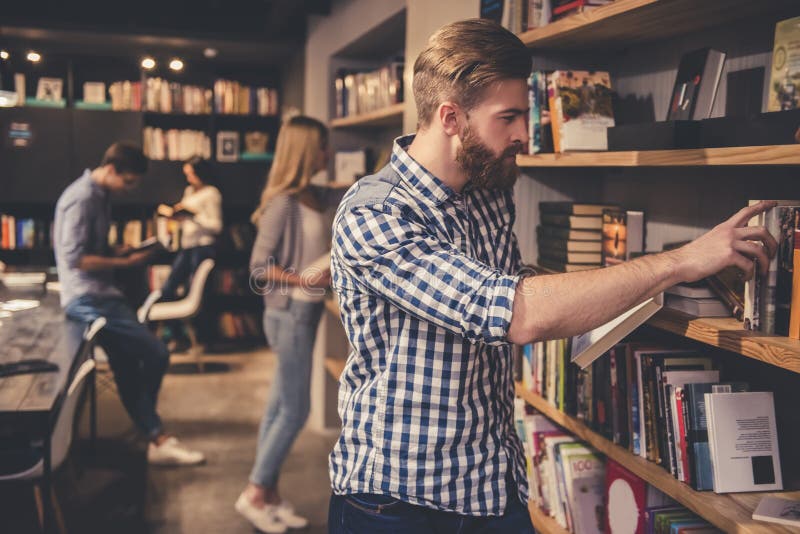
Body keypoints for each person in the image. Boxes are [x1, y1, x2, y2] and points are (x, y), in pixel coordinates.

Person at [326, 19, 777, 533]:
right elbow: (516, 311)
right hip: (399, 502)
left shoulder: (488, 191)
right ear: (451, 117)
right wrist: (680, 260)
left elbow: (517, 284)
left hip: (492, 484)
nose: (523, 134)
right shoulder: (375, 214)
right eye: (509, 117)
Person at [54, 142, 205, 466]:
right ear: (111, 169)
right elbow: (75, 259)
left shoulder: (99, 195)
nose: (129, 188)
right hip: (88, 299)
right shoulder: (81, 199)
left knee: (126, 366)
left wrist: (118, 250)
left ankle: (153, 433)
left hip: (103, 294)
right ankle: (150, 428)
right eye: (128, 181)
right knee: (156, 352)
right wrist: (125, 262)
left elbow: (91, 248)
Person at [236, 116, 349, 533]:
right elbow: (258, 267)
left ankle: (268, 494)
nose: (327, 153)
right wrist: (303, 278)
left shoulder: (316, 196)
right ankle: (254, 492)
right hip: (286, 313)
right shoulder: (284, 201)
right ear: (306, 150)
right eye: (322, 146)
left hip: (305, 311)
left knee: (278, 406)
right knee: (296, 409)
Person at [156, 156, 223, 352]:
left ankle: (203, 340)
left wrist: (194, 217)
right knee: (168, 289)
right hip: (187, 247)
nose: (189, 178)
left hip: (203, 247)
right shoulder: (189, 192)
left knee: (199, 294)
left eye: (191, 174)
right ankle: (176, 336)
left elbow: (216, 226)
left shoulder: (211, 194)